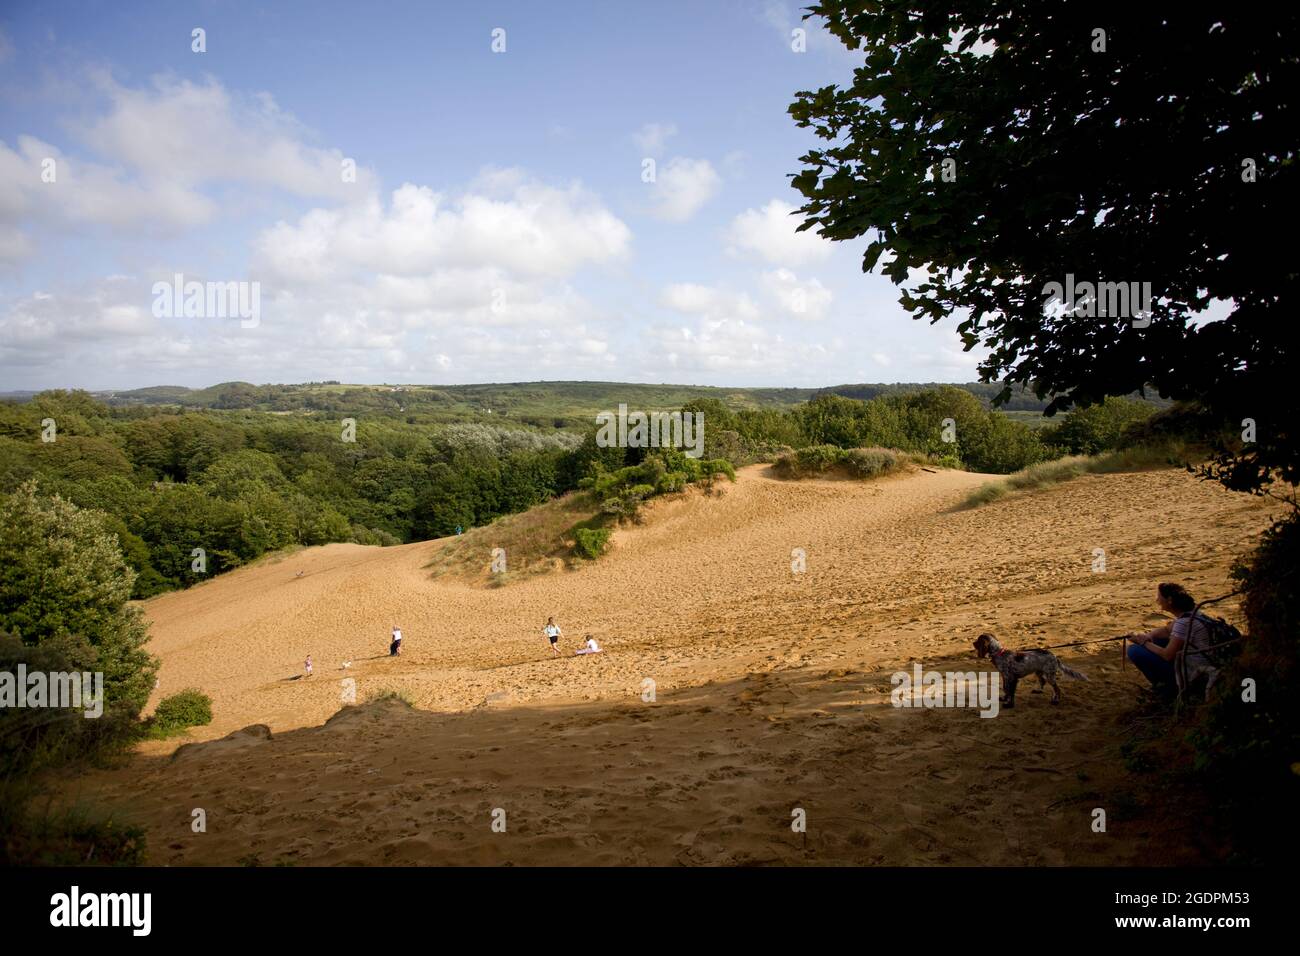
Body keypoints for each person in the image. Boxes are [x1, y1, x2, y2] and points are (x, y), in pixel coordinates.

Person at [1125, 582, 1208, 699]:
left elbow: (1167, 655)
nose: (1157, 600)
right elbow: (1167, 630)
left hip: (1193, 673)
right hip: (1195, 660)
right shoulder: (1193, 613)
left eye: (1159, 597)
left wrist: (1143, 642)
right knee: (1156, 641)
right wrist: (1148, 636)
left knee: (1134, 651)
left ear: (1169, 600)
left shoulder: (1183, 623)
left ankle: (1168, 687)